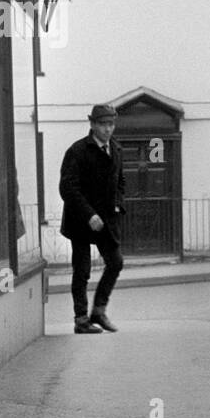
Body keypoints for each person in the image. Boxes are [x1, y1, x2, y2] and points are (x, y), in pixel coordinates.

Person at [60, 103, 126, 334]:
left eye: (111, 124)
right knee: (82, 270)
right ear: (92, 124)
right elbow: (67, 188)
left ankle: (99, 311)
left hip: (107, 220)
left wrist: (118, 205)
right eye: (103, 124)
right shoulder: (77, 151)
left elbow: (121, 182)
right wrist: (89, 214)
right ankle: (81, 320)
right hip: (81, 220)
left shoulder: (116, 149)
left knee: (116, 263)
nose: (108, 129)